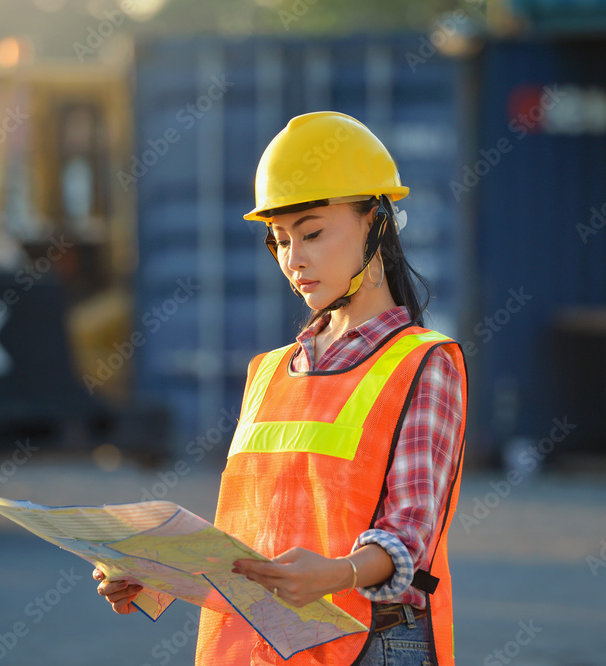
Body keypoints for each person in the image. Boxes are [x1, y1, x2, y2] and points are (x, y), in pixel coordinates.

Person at [94, 111, 468, 666]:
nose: (295, 259)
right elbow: (251, 531)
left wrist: (339, 573)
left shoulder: (423, 364)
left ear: (377, 223)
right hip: (246, 650)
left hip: (364, 646)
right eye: (280, 240)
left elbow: (413, 533)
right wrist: (153, 578)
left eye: (312, 232)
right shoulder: (268, 371)